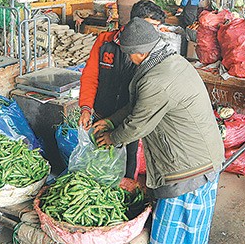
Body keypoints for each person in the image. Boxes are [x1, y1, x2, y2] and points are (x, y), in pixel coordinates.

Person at [92, 18, 224, 244]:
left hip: (189, 169)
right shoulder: (168, 61)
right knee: (188, 231)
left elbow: (136, 125)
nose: (128, 58)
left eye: (128, 53)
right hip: (199, 158)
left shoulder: (156, 79)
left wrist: (111, 138)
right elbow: (138, 104)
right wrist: (112, 121)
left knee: (173, 234)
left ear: (138, 53)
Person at [78, 1, 167, 178]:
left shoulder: (152, 52)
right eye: (151, 26)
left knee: (128, 161)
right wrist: (86, 108)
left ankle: (125, 192)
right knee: (99, 162)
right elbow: (90, 76)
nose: (153, 33)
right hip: (102, 114)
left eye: (157, 27)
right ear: (135, 23)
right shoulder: (105, 41)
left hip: (130, 118)